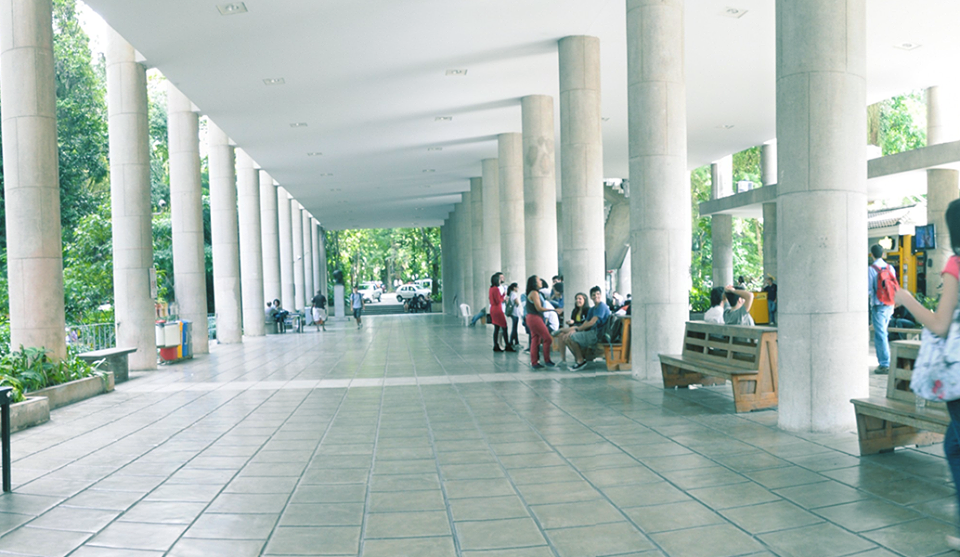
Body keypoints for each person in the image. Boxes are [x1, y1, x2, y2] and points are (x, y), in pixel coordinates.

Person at [894, 198, 960, 551]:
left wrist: (906, 299)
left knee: (956, 447)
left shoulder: (956, 264)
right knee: (953, 445)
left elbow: (939, 324)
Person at [567, 286, 611, 371]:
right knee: (569, 337)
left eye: (598, 294)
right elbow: (586, 322)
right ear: (591, 297)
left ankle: (580, 361)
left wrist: (577, 330)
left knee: (572, 337)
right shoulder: (592, 309)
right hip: (592, 332)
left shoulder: (602, 306)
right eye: (594, 295)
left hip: (598, 334)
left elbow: (592, 322)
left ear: (601, 295)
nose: (596, 296)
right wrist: (578, 330)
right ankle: (581, 358)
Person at [869, 244, 896, 374]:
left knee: (880, 335)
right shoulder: (890, 268)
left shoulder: (871, 269)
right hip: (890, 305)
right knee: (883, 333)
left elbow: (869, 290)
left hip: (878, 306)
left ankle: (885, 364)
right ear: (883, 254)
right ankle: (885, 361)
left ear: (872, 255)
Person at [525, 275, 558, 369]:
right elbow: (539, 308)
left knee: (535, 339)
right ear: (534, 283)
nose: (541, 281)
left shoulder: (536, 293)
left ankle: (534, 362)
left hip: (532, 317)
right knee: (547, 338)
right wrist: (552, 310)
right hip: (535, 318)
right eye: (539, 280)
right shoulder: (534, 293)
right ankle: (547, 360)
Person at [555, 293, 590, 365]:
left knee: (570, 333)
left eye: (580, 299)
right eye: (576, 299)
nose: (577, 300)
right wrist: (571, 322)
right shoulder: (575, 311)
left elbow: (585, 324)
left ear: (584, 300)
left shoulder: (588, 310)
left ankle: (561, 329)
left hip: (582, 329)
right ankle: (562, 359)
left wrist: (575, 323)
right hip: (574, 328)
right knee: (561, 335)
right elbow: (573, 323)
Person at [489, 272, 512, 352]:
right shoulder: (496, 289)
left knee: (496, 328)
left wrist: (502, 295)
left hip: (493, 309)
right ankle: (507, 345)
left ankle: (496, 345)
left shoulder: (491, 288)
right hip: (498, 309)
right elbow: (498, 300)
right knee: (504, 327)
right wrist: (503, 297)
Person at [506, 282, 522, 349]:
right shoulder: (514, 294)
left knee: (514, 328)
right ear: (514, 288)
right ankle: (512, 342)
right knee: (515, 328)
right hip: (515, 312)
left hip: (513, 312)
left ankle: (515, 342)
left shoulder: (510, 293)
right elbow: (517, 302)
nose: (518, 288)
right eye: (517, 287)